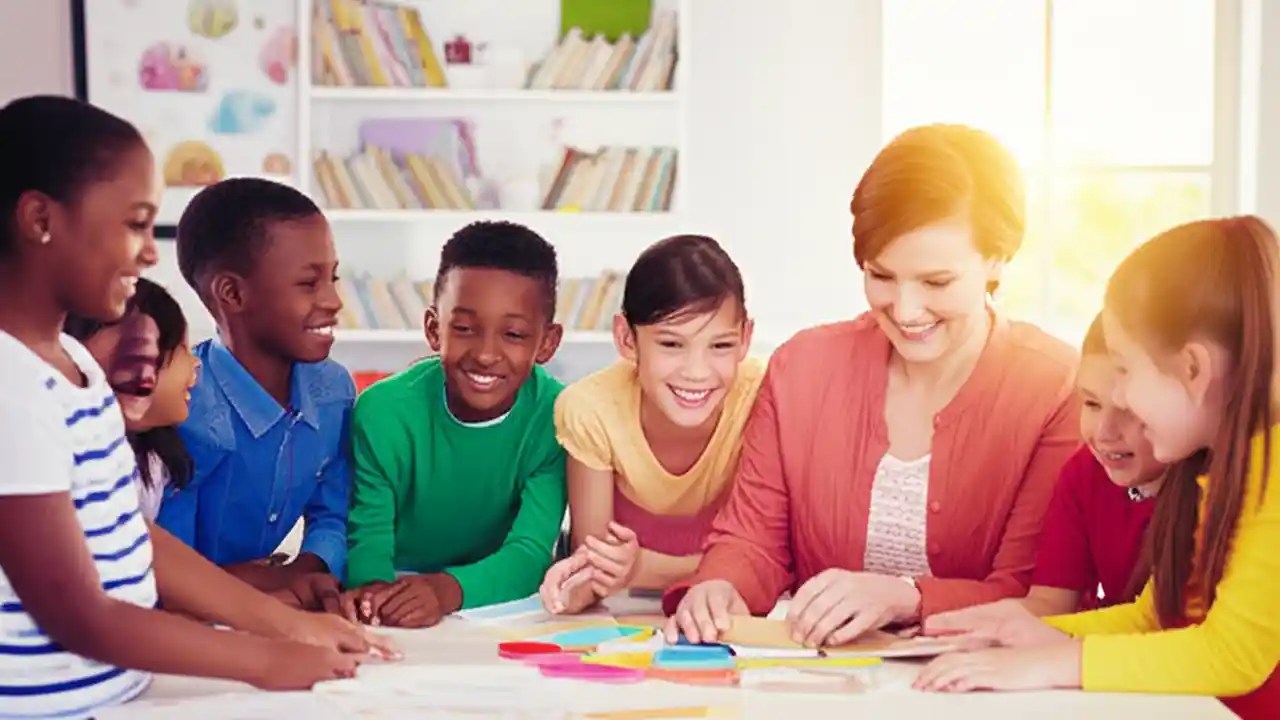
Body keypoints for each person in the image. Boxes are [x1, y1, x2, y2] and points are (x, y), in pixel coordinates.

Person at [0, 95, 364, 718]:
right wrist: (265, 659)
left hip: (120, 694)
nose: (149, 253)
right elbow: (79, 615)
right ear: (39, 218)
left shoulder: (72, 364)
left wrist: (283, 625)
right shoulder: (9, 387)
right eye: (135, 224)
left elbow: (133, 534)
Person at [663, 124, 1080, 648]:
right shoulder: (802, 368)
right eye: (881, 275)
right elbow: (753, 541)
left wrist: (906, 596)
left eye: (936, 282)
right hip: (822, 683)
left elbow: (1034, 593)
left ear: (998, 259)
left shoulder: (1056, 388)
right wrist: (720, 585)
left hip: (982, 683)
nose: (905, 311)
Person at [916, 217, 1280, 719]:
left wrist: (1052, 663)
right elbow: (1156, 617)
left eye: (1127, 372)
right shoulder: (1215, 467)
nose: (1120, 399)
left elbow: (1233, 655)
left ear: (1193, 369)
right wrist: (1035, 634)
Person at [341, 221, 567, 627]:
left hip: (490, 602)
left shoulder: (557, 418)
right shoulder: (383, 412)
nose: (485, 354)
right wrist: (373, 591)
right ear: (433, 329)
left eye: (513, 334)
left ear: (547, 343)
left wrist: (443, 591)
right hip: (395, 590)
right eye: (463, 329)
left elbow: (530, 554)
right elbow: (366, 537)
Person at [538, 235, 765, 614]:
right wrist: (578, 585)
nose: (697, 372)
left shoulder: (763, 396)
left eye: (720, 346)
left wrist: (642, 568)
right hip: (633, 612)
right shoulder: (591, 410)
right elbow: (596, 564)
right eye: (671, 345)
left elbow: (770, 557)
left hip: (733, 610)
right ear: (627, 339)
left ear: (745, 339)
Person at [158, 177, 352, 607]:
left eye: (333, 278)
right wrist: (263, 585)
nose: (334, 300)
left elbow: (333, 513)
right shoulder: (178, 407)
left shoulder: (334, 391)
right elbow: (168, 573)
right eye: (308, 283)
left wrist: (308, 569)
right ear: (232, 294)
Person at [1021, 314, 1166, 616]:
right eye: (1091, 404)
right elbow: (1051, 604)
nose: (1104, 433)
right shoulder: (1085, 473)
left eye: (1129, 410)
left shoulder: (1219, 491)